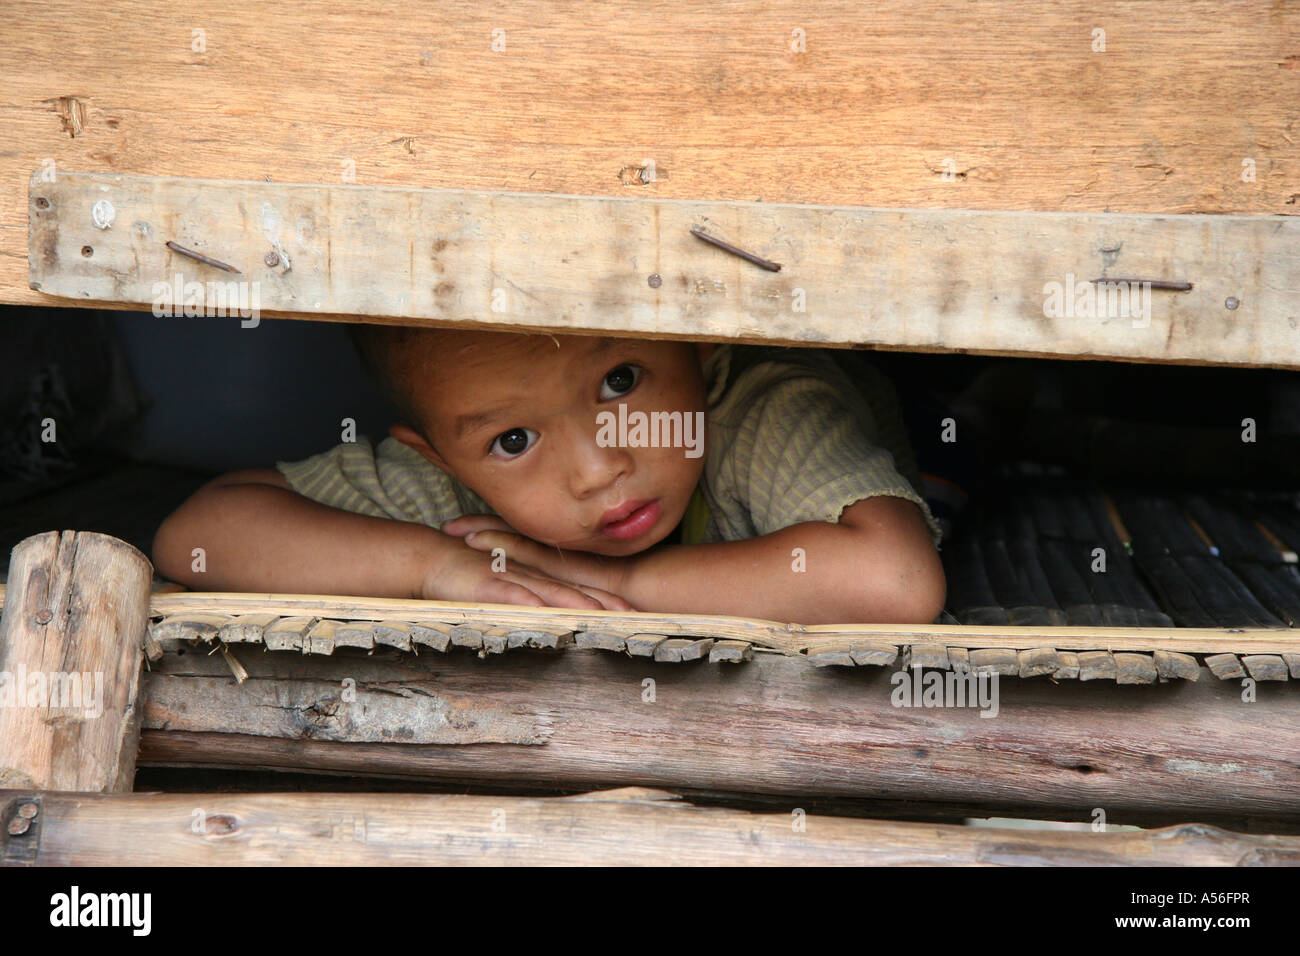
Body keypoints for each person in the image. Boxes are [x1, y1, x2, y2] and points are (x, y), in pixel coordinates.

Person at [153, 326, 946, 625]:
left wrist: (603, 583)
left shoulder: (761, 406)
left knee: (958, 453)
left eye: (623, 383)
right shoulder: (466, 492)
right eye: (515, 440)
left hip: (908, 439)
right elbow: (196, 537)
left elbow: (897, 579)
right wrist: (434, 568)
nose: (599, 468)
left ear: (701, 345)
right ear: (438, 458)